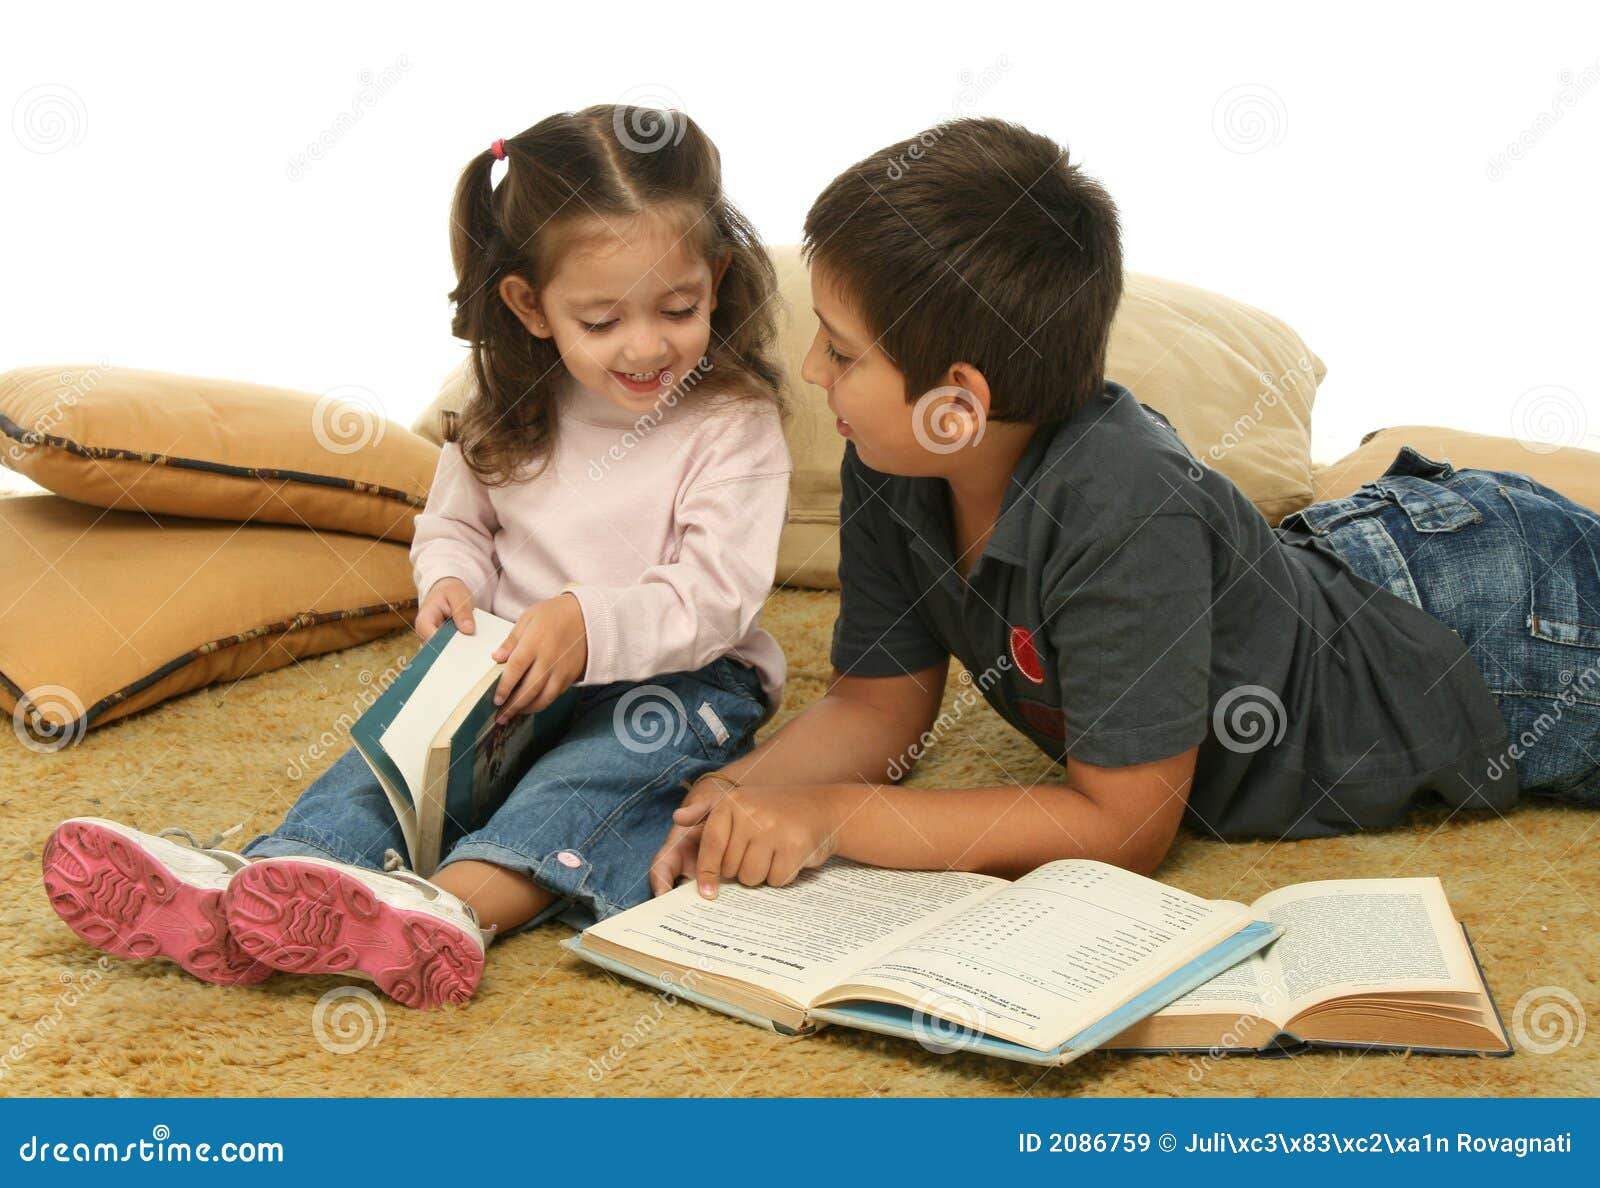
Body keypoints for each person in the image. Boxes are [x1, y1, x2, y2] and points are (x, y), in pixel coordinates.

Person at [649, 116, 1600, 902]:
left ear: (958, 402)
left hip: (1496, 635)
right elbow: (877, 703)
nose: (814, 373)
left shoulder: (1123, 509)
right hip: (1346, 570)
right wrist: (727, 796)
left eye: (844, 353)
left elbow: (1126, 824)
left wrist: (837, 817)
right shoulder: (894, 459)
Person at [42, 105, 792, 1009]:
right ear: (530, 306)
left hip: (684, 679)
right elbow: (453, 526)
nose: (646, 346)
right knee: (387, 769)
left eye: (678, 309)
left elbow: (719, 594)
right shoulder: (503, 399)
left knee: (581, 784)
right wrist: (449, 585)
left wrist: (589, 625)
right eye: (601, 321)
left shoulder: (732, 421)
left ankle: (446, 912)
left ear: (715, 278)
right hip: (506, 666)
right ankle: (261, 890)